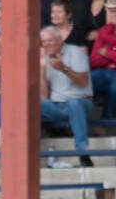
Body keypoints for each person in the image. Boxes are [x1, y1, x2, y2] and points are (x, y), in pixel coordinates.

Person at [40, 25, 94, 167]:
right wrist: (41, 70)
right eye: (43, 41)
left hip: (81, 102)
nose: (46, 44)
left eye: (49, 40)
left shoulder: (75, 52)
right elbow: (43, 96)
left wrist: (64, 68)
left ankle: (83, 152)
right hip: (57, 105)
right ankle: (31, 152)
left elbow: (83, 82)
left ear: (59, 40)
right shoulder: (43, 58)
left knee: (74, 104)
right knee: (32, 105)